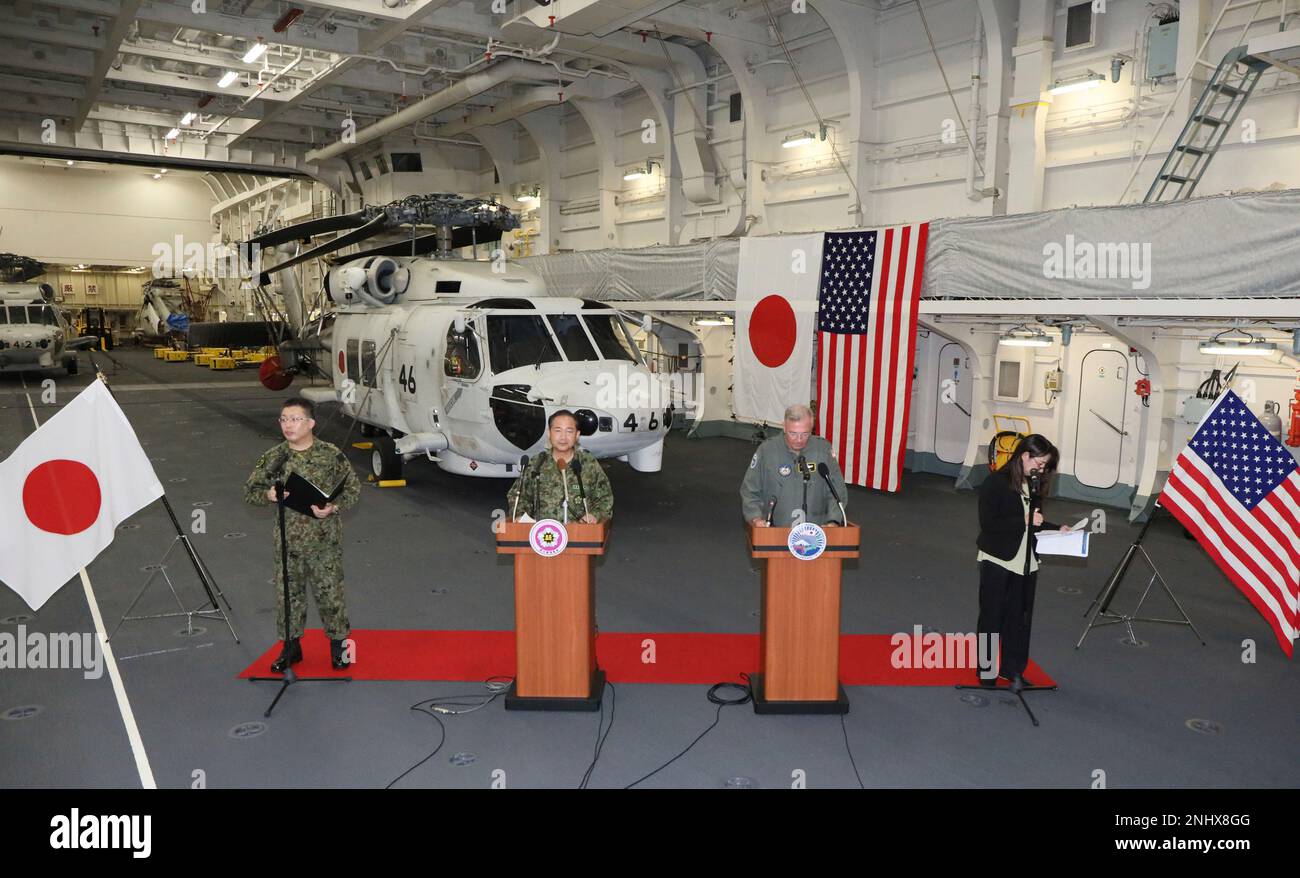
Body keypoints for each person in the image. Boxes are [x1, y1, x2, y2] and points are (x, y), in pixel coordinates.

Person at [244, 397, 361, 672]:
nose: (288, 425)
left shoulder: (331, 455)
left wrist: (334, 507)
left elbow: (353, 489)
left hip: (324, 541)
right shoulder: (274, 457)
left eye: (295, 419)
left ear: (310, 423)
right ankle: (290, 649)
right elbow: (249, 492)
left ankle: (338, 647)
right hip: (288, 542)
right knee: (288, 597)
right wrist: (268, 495)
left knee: (331, 595)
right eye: (284, 419)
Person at [975, 433, 1071, 692]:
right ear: (1024, 455)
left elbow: (1034, 520)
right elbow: (990, 524)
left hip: (1026, 561)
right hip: (998, 558)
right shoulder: (995, 482)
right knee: (992, 617)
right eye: (1039, 464)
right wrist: (1026, 522)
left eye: (1045, 467)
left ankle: (1013, 669)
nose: (1041, 471)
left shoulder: (1035, 484)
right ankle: (986, 671)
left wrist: (1057, 529)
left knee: (1019, 619)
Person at [740, 403, 847, 528]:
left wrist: (833, 520)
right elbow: (750, 489)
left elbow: (837, 490)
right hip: (775, 529)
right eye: (793, 433)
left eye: (805, 434)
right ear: (784, 427)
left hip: (816, 532)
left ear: (812, 428)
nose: (799, 439)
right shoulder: (767, 450)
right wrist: (755, 518)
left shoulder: (823, 450)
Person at [506, 409, 614, 522]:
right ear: (549, 433)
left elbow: (604, 498)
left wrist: (594, 515)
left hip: (579, 533)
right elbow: (518, 496)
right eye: (558, 431)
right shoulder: (537, 463)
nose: (563, 437)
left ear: (577, 435)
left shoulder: (588, 463)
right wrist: (520, 516)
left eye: (569, 431)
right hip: (542, 534)